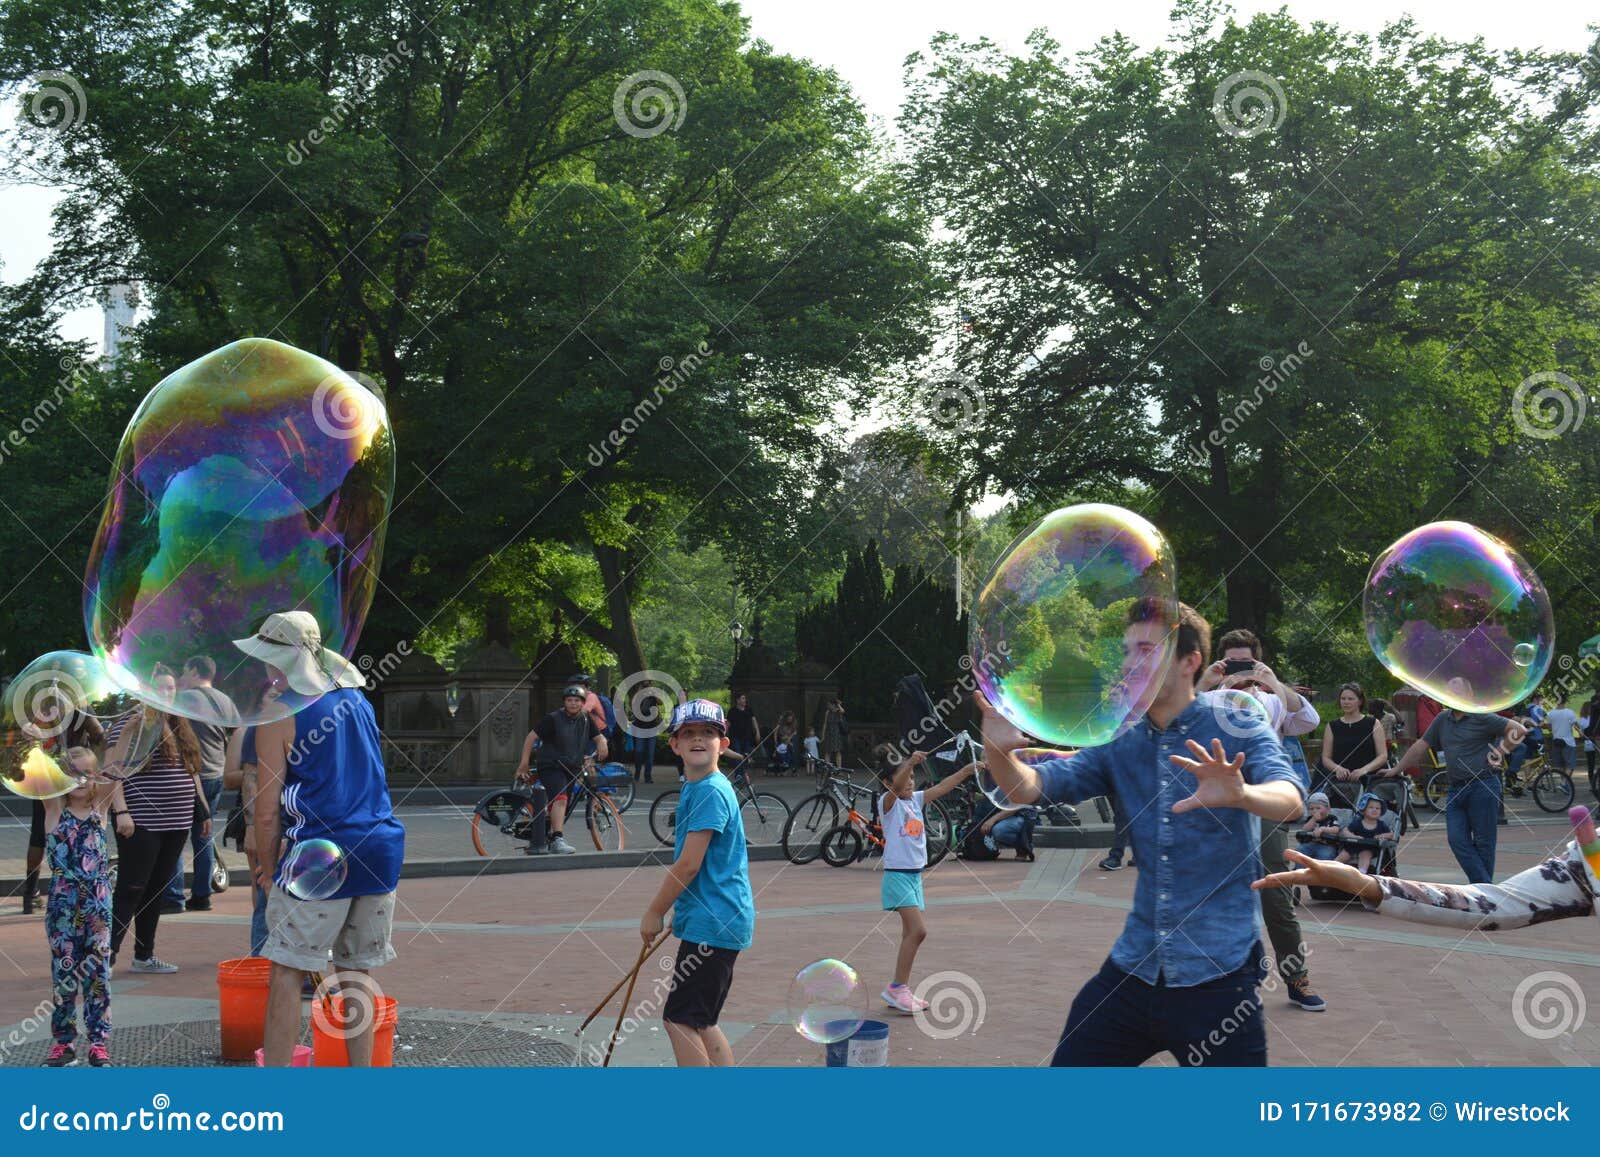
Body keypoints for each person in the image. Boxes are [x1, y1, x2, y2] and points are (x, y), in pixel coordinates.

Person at [977, 598, 1305, 1067]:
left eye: (1146, 650)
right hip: (1136, 967)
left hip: (1219, 975)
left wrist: (1241, 794)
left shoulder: (1235, 721)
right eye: (1128, 651)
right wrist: (997, 751)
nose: (1130, 662)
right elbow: (1033, 788)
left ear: (1190, 662)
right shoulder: (1121, 737)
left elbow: (1290, 797)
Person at [238, 611, 406, 1067]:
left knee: (288, 970)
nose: (264, 669)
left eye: (268, 659)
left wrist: (269, 872)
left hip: (320, 852)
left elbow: (267, 810)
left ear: (281, 661)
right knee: (356, 973)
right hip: (380, 845)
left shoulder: (280, 711)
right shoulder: (356, 699)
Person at [1199, 627, 1323, 1011]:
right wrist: (1207, 682)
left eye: (1247, 661)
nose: (1241, 668)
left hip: (1264, 799)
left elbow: (1309, 721)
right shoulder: (1210, 699)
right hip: (1217, 801)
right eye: (1233, 660)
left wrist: (1273, 681)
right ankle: (1214, 983)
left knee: (1275, 888)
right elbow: (1176, 717)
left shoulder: (1271, 702)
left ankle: (1296, 978)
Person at [638, 699, 754, 1066]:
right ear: (674, 744)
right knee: (702, 1018)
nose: (698, 739)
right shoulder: (701, 785)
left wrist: (654, 911)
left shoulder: (708, 791)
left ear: (723, 742)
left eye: (708, 733)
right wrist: (685, 911)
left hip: (716, 919)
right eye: (688, 733)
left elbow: (689, 864)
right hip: (718, 917)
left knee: (679, 1018)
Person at [106, 665, 208, 974]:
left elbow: (192, 769)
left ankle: (144, 955)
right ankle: (106, 956)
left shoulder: (178, 721)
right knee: (132, 887)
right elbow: (112, 769)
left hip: (176, 821)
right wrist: (121, 811)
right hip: (141, 819)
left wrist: (201, 808)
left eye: (171, 689)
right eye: (160, 689)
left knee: (156, 890)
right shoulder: (129, 722)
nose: (166, 694)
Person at [874, 746, 976, 1013]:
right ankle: (898, 989)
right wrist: (908, 763)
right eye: (904, 777)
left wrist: (966, 771)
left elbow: (942, 788)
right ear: (887, 783)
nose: (909, 781)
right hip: (897, 876)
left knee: (912, 933)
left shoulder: (915, 800)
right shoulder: (888, 802)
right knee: (919, 931)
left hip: (914, 876)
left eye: (912, 777)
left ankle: (899, 989)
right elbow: (896, 787)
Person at [1391, 678, 1523, 884]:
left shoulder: (1482, 716)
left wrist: (1498, 752)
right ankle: (1485, 888)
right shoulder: (1443, 719)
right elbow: (1420, 746)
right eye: (1449, 691)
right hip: (1456, 788)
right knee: (1456, 840)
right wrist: (1396, 769)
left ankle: (1482, 891)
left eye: (1458, 690)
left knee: (1483, 842)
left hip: (1483, 785)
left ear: (1469, 694)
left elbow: (1519, 730)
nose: (1452, 695)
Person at [40, 748, 118, 1067]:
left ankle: (98, 1042)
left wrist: (134, 726)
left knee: (97, 974)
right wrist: (42, 731)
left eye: (87, 773)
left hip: (97, 906)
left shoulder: (101, 808)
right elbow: (42, 773)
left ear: (97, 776)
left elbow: (119, 764)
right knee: (64, 974)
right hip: (62, 905)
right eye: (72, 773)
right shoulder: (55, 809)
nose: (81, 779)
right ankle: (64, 1043)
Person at [162, 655, 240, 914]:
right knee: (204, 837)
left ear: (194, 671)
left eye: (184, 670)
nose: (182, 676)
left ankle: (174, 897)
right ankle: (202, 894)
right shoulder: (225, 700)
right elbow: (235, 732)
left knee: (175, 835)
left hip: (190, 774)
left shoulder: (185, 699)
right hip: (216, 774)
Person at [20, 691, 104, 916]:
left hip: (52, 772)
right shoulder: (80, 704)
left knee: (39, 831)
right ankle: (41, 891)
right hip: (76, 772)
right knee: (54, 825)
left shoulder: (43, 706)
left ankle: (30, 894)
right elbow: (100, 736)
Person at [519, 686, 608, 855]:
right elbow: (531, 737)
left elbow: (598, 736)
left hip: (571, 767)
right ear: (564, 702)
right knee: (561, 799)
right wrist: (523, 763)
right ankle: (558, 840)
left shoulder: (586, 719)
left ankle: (543, 836)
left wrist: (602, 742)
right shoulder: (553, 719)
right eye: (569, 700)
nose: (573, 703)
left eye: (577, 701)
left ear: (582, 703)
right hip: (551, 765)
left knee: (561, 805)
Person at [1317, 683, 1388, 809]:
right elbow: (1326, 758)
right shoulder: (1332, 726)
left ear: (1360, 701)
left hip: (1369, 778)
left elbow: (1382, 755)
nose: (1346, 702)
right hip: (1341, 781)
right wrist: (1337, 768)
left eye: (1350, 699)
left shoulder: (1373, 723)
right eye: (1343, 699)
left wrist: (1364, 770)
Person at [1336, 792, 1395, 875]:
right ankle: (1331, 869)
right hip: (1354, 845)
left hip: (1369, 847)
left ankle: (1361, 874)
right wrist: (1353, 836)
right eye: (1371, 807)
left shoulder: (1381, 825)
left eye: (1377, 808)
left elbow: (1391, 835)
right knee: (1344, 854)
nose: (1374, 810)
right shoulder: (1357, 822)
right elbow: (1345, 831)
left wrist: (1382, 835)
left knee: (1365, 855)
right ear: (1363, 810)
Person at [1296, 792, 1341, 861]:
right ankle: (1301, 870)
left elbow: (1336, 829)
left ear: (1328, 808)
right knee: (1300, 850)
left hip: (1327, 845)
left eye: (1318, 808)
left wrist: (1323, 829)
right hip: (1310, 843)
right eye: (1311, 809)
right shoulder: (1310, 819)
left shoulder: (1332, 818)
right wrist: (1314, 819)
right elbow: (1304, 829)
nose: (1315, 811)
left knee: (1326, 855)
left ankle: (1321, 871)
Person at [1547, 692, 1578, 778]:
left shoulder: (1550, 713)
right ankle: (1565, 784)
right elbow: (1576, 726)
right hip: (1568, 742)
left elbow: (1549, 728)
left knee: (1560, 765)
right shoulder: (1570, 712)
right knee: (1570, 765)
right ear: (1565, 701)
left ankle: (1563, 782)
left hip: (1556, 741)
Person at [725, 692, 759, 758]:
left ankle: (745, 767)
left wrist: (757, 733)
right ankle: (739, 768)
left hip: (747, 736)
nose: (745, 700)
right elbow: (728, 724)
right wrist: (725, 733)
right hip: (736, 737)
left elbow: (754, 721)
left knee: (746, 754)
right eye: (743, 698)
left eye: (745, 698)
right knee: (738, 753)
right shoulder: (732, 711)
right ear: (738, 700)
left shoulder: (749, 709)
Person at [821, 698, 848, 767]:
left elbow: (843, 711)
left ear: (833, 705)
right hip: (829, 732)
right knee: (827, 751)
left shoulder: (838, 711)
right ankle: (827, 768)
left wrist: (838, 704)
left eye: (829, 704)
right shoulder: (827, 712)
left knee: (837, 752)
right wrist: (823, 734)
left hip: (836, 733)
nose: (828, 706)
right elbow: (825, 723)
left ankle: (839, 768)